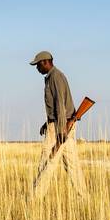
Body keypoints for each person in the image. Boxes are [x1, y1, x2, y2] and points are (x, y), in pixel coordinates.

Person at [29, 51, 87, 197]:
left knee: (48, 161)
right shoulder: (53, 77)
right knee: (72, 165)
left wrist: (60, 130)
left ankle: (34, 198)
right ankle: (84, 197)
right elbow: (57, 107)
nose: (37, 68)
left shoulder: (55, 77)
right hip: (62, 124)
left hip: (60, 127)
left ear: (45, 62)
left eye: (37, 65)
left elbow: (60, 105)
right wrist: (47, 122)